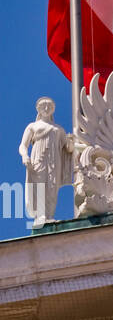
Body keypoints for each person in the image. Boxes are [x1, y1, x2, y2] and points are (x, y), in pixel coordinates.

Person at [17, 97, 73, 226]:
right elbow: (22, 145)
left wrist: (73, 141)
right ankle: (40, 216)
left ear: (53, 110)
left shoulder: (59, 129)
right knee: (40, 185)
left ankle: (49, 216)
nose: (46, 108)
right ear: (38, 109)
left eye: (49, 106)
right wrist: (25, 156)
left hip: (54, 159)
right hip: (39, 158)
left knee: (52, 186)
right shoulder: (33, 126)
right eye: (43, 106)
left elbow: (68, 148)